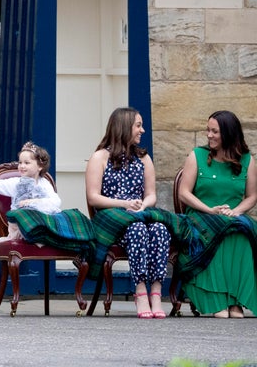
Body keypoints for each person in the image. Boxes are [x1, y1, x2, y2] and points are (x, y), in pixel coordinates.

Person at [85, 107, 175, 319]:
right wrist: (124, 204)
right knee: (136, 229)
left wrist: (142, 206)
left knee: (161, 229)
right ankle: (141, 291)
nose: (142, 130)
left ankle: (156, 291)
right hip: (112, 218)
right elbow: (93, 197)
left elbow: (151, 195)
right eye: (138, 125)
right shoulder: (100, 157)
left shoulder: (143, 158)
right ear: (124, 127)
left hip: (140, 213)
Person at [175, 110, 257, 318]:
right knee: (218, 232)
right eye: (208, 130)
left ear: (228, 134)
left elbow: (252, 196)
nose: (209, 135)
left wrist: (236, 211)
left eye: (215, 131)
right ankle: (215, 298)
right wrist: (209, 209)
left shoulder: (247, 160)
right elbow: (183, 193)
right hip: (202, 216)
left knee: (240, 232)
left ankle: (236, 301)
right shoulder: (197, 155)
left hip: (232, 217)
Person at [0, 141, 61, 244]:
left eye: (27, 163)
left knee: (61, 217)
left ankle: (45, 235)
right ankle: (36, 236)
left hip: (41, 222)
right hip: (22, 225)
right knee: (23, 216)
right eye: (20, 162)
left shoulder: (45, 184)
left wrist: (34, 202)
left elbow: (55, 201)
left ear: (40, 166)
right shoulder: (17, 183)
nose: (22, 166)